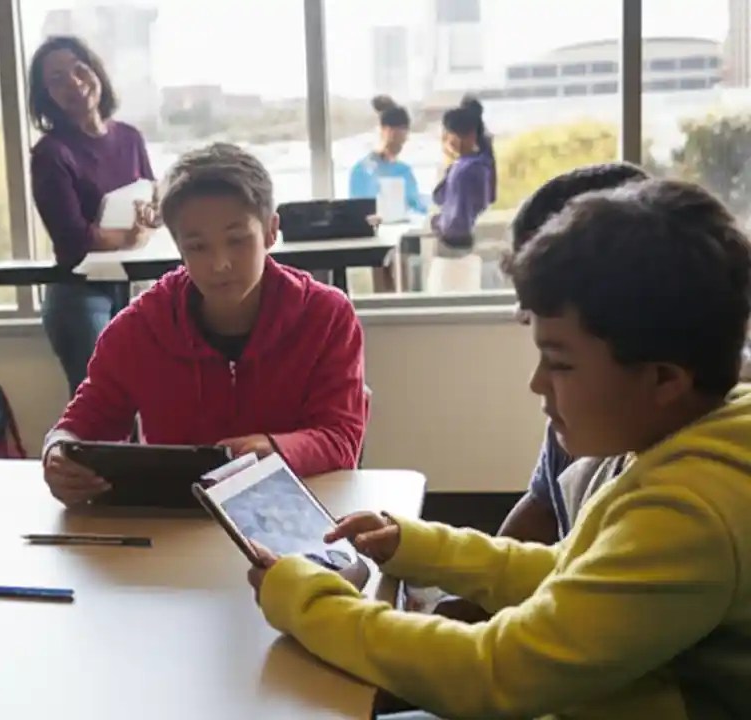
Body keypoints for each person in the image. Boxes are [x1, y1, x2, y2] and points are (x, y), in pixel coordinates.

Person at [247, 178, 751, 719]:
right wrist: (416, 546)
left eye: (560, 364)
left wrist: (305, 599)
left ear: (665, 379)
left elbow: (492, 672)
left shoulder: (687, 513)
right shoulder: (702, 437)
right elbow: (571, 571)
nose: (537, 383)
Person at [42, 143, 368, 507]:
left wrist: (271, 450)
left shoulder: (326, 316)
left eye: (237, 240)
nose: (220, 264)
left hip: (293, 513)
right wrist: (58, 453)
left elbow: (340, 438)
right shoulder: (139, 328)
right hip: (176, 522)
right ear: (179, 247)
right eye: (198, 247)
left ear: (271, 231)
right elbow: (81, 424)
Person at [426, 163, 650, 626]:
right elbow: (544, 512)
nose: (524, 311)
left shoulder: (678, 478)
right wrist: (464, 604)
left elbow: (538, 648)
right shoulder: (584, 402)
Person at [28, 35, 159, 396]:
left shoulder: (130, 138)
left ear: (96, 72)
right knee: (102, 405)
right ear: (46, 96)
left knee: (146, 401)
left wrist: (152, 216)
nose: (74, 82)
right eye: (57, 79)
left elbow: (154, 201)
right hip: (80, 296)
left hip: (131, 287)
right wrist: (129, 237)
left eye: (79, 69)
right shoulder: (51, 154)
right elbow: (72, 239)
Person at [431, 95, 495, 251]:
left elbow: (445, 204)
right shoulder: (472, 164)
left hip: (455, 244)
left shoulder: (468, 169)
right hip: (458, 240)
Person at [348, 95, 425, 216]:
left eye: (401, 142)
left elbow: (417, 208)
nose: (398, 147)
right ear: (383, 131)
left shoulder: (404, 171)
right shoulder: (362, 170)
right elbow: (357, 211)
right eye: (394, 140)